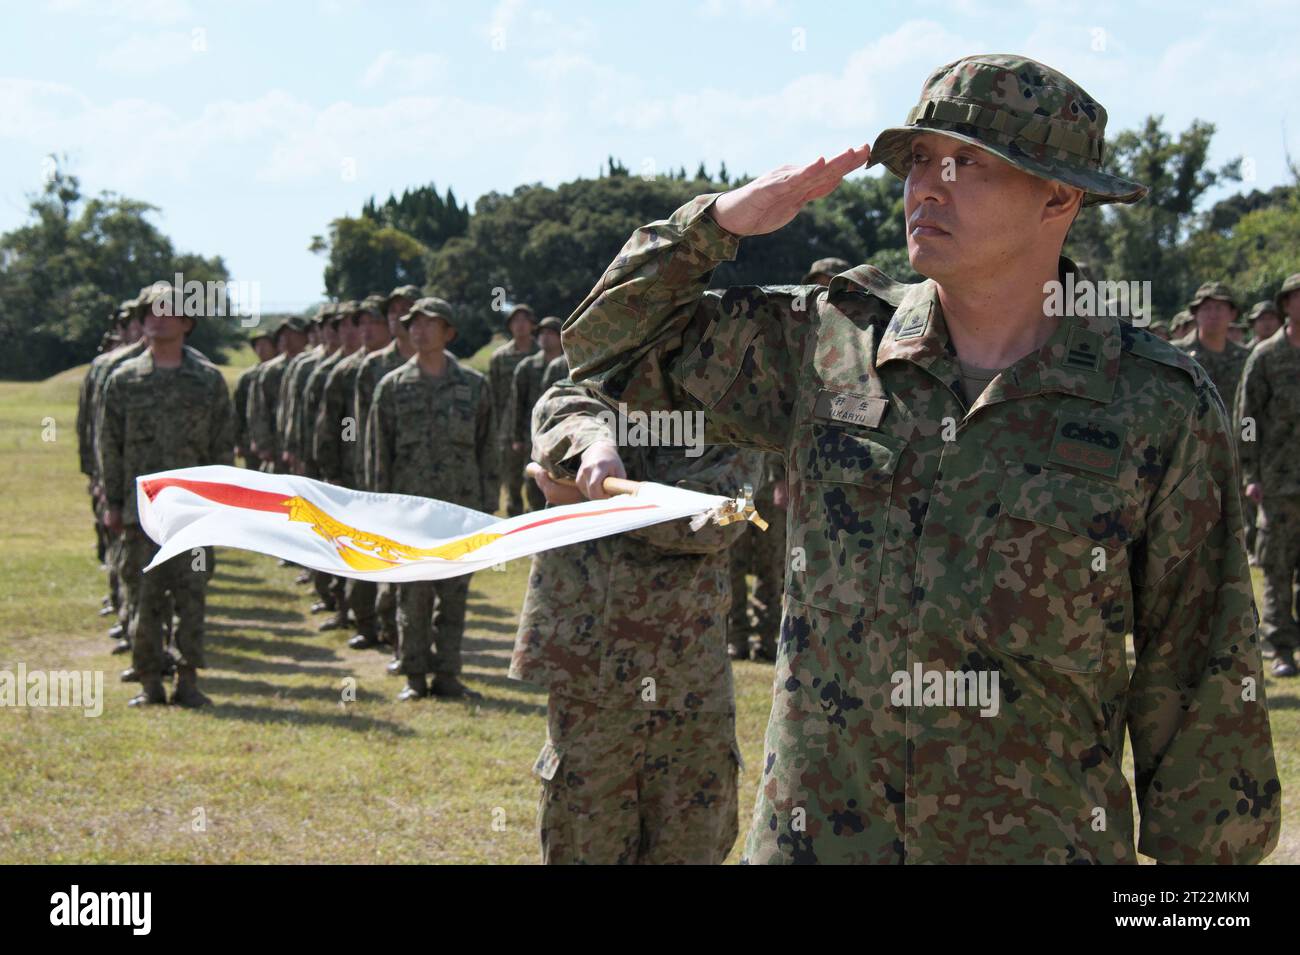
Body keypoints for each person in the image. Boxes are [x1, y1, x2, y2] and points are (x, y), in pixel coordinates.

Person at [562, 53, 1280, 864]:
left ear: (1059, 195)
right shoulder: (830, 342)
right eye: (918, 161)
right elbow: (603, 350)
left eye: (968, 163)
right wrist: (715, 225)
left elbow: (1201, 661)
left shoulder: (1154, 400)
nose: (927, 186)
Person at [513, 381, 762, 863]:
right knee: (585, 845)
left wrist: (600, 503)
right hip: (593, 678)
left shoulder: (730, 403)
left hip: (688, 679)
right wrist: (598, 449)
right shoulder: (584, 393)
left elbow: (723, 515)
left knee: (689, 843)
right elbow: (562, 416)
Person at [97, 283, 233, 707]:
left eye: (166, 310)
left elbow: (222, 446)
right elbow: (110, 445)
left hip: (192, 512)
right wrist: (114, 504)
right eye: (149, 311)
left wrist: (221, 505)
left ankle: (188, 680)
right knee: (144, 597)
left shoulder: (208, 382)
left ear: (186, 322)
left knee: (191, 598)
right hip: (142, 513)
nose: (155, 318)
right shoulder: (123, 380)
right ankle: (150, 681)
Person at [367, 297, 496, 700]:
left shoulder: (474, 386)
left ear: (449, 332)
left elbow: (486, 447)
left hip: (460, 509)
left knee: (454, 595)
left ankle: (448, 674)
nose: (418, 331)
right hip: (409, 512)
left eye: (428, 324)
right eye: (413, 324)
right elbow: (378, 451)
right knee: (413, 595)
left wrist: (488, 506)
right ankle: (414, 676)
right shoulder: (392, 386)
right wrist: (378, 508)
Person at [349, 285, 421, 653]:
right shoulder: (373, 368)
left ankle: (413, 641)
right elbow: (364, 431)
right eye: (392, 311)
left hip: (428, 483)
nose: (397, 317)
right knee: (383, 559)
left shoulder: (439, 365)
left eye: (405, 310)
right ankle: (380, 628)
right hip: (382, 476)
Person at [1237, 271, 1300, 678]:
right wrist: (1249, 472)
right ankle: (1281, 651)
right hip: (1277, 484)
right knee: (1276, 571)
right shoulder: (1265, 355)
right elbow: (1247, 419)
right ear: (1285, 305)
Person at [509, 315, 565, 512]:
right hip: (533, 434)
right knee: (533, 479)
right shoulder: (526, 367)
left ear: (560, 337)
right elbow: (518, 405)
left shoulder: (568, 366)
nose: (545, 337)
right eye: (541, 333)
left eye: (550, 333)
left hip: (563, 433)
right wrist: (517, 437)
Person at [487, 303, 538, 516]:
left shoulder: (542, 351)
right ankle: (513, 517)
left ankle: (538, 517)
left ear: (532, 324)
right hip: (508, 427)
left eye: (524, 320)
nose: (520, 325)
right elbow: (493, 395)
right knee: (512, 477)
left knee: (537, 477)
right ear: (509, 326)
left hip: (538, 424)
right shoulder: (500, 357)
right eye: (515, 320)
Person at [1173, 282, 1250, 404]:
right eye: (1206, 308)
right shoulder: (1175, 354)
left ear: (1232, 314)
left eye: (1219, 308)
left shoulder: (1244, 357)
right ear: (1195, 314)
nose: (1213, 314)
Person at [233, 328, 277, 466]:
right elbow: (237, 410)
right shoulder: (247, 377)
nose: (261, 349)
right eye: (258, 345)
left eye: (265, 344)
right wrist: (238, 442)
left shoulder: (280, 372)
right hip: (249, 440)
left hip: (275, 441)